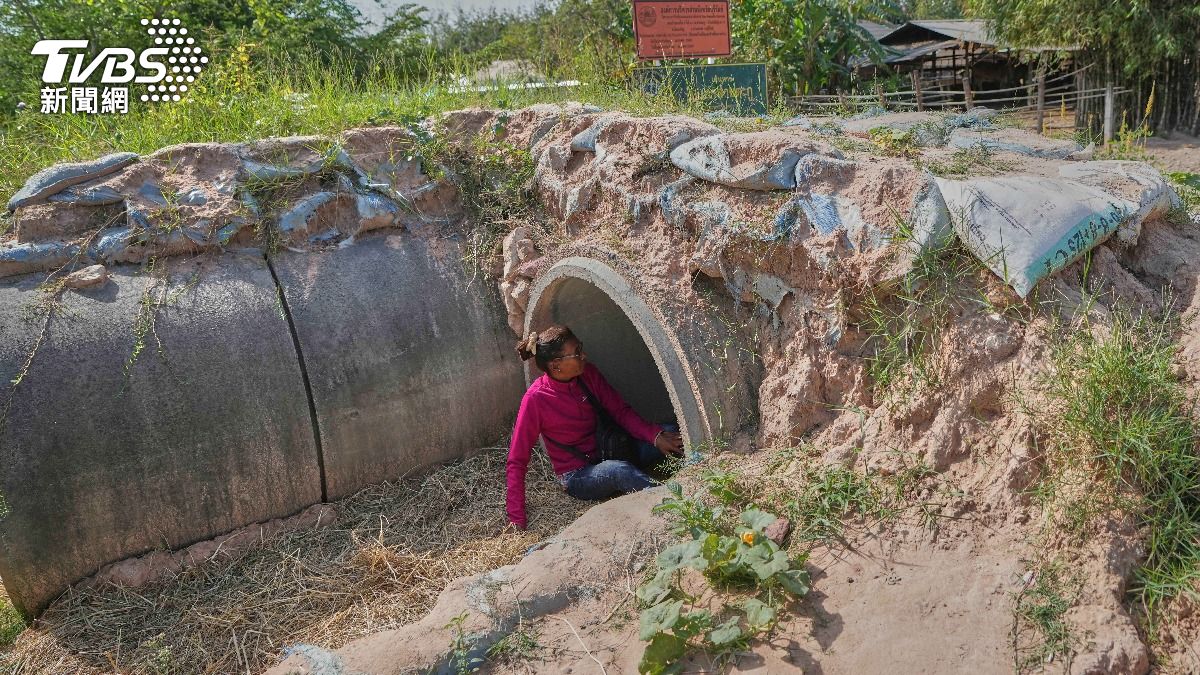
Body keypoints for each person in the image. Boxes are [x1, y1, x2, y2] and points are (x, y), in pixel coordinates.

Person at [505, 324, 685, 530]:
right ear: (556, 366)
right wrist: (516, 519)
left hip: (610, 450)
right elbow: (517, 461)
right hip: (578, 475)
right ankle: (674, 508)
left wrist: (656, 436)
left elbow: (620, 412)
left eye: (580, 347)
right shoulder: (535, 399)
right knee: (619, 471)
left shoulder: (588, 374)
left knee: (672, 433)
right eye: (577, 353)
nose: (584, 355)